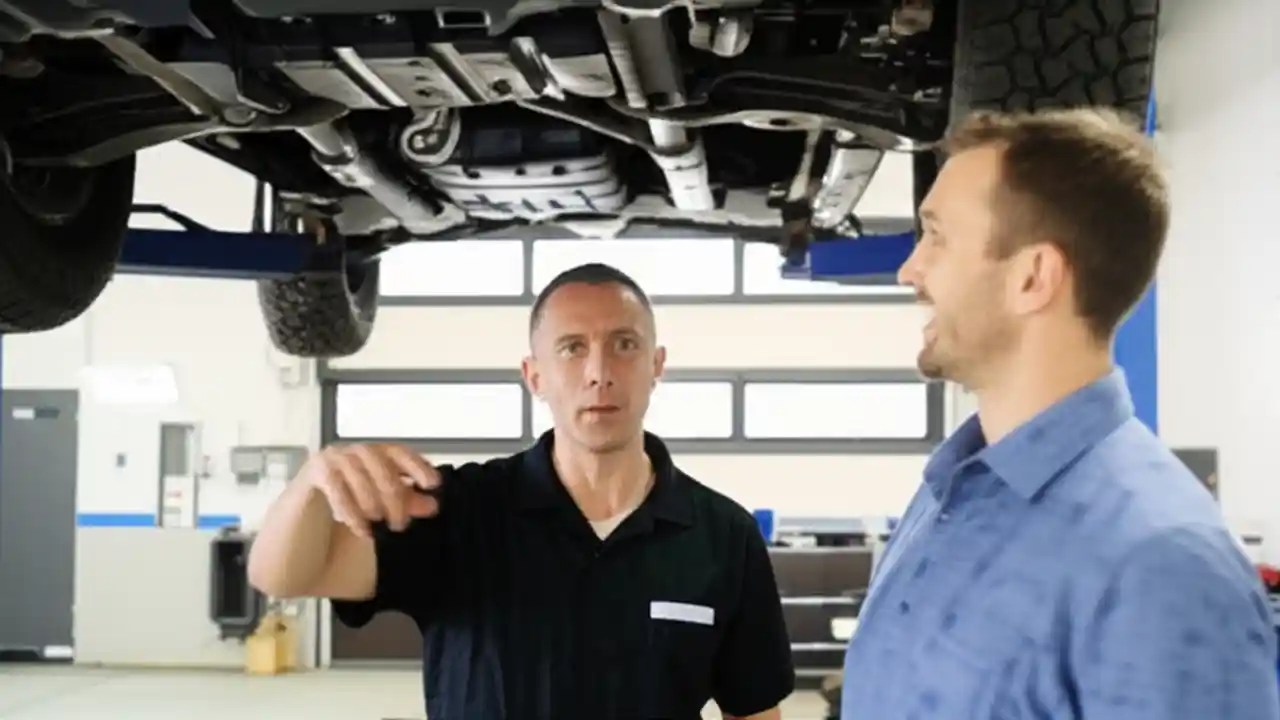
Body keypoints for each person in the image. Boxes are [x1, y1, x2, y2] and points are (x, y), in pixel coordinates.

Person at [840, 108, 1280, 719]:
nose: (909, 270)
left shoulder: (1163, 565)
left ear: (1033, 278)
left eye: (937, 236)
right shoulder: (952, 490)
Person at [248, 262, 795, 720]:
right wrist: (310, 486)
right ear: (534, 376)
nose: (599, 372)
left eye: (623, 344)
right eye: (572, 348)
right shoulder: (457, 509)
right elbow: (285, 575)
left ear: (656, 366)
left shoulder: (723, 534)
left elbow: (753, 711)